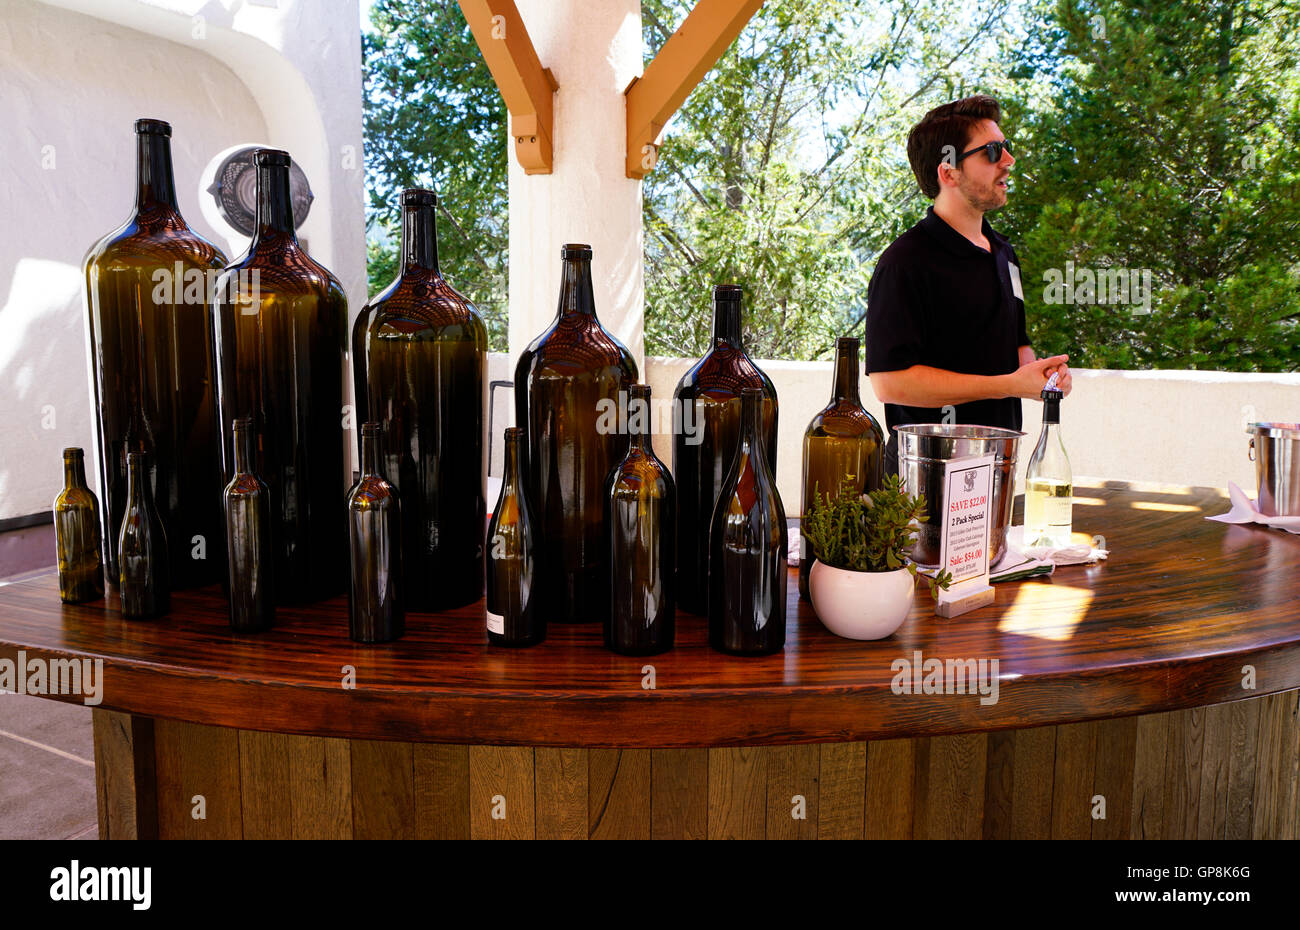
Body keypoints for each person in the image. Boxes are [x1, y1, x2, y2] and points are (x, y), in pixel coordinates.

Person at [865, 94, 1072, 474]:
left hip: (996, 467)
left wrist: (1042, 377)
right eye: (992, 151)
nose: (1008, 160)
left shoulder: (1005, 254)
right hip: (924, 477)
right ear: (949, 171)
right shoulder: (904, 262)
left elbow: (1018, 346)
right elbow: (890, 384)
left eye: (1006, 148)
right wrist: (1008, 384)